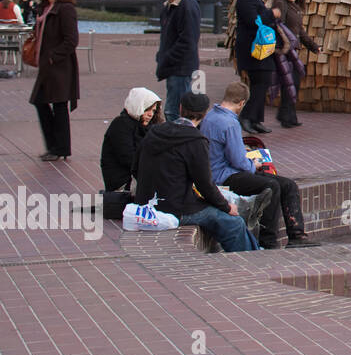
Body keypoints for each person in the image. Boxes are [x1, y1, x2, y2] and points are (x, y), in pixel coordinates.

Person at [133, 92, 256, 253]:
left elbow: (134, 168)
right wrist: (226, 207)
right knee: (234, 223)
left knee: (224, 211)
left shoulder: (154, 132)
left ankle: (255, 251)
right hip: (175, 208)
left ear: (180, 108)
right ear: (205, 114)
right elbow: (205, 184)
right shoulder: (196, 141)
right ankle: (249, 260)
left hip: (146, 202)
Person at [202, 80, 318, 248]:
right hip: (226, 175)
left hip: (222, 171)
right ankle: (270, 240)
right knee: (271, 186)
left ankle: (296, 237)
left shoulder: (211, 115)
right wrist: (253, 164)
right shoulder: (230, 123)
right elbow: (238, 161)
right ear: (242, 103)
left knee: (288, 185)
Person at [29, 0, 79, 162]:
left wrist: (53, 56)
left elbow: (71, 40)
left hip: (59, 67)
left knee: (59, 105)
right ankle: (54, 146)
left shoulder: (65, 9)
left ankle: (61, 148)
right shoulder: (44, 8)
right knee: (40, 101)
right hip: (47, 67)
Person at [232, 0, 280, 134]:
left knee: (262, 83)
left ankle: (256, 119)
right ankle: (246, 117)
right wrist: (271, 14)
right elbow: (255, 21)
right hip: (253, 50)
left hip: (260, 50)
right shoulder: (246, 1)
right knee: (260, 82)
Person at [270, 0, 320, 129]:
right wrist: (284, 45)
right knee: (290, 83)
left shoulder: (295, 8)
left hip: (292, 50)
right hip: (284, 51)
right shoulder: (281, 4)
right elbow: (278, 25)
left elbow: (300, 32)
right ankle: (286, 116)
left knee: (293, 83)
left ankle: (288, 115)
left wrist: (314, 47)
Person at [156, 0, 200, 123]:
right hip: (174, 68)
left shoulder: (187, 5)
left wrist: (166, 58)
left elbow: (188, 41)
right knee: (173, 111)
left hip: (181, 69)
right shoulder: (170, 5)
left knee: (174, 113)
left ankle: (176, 144)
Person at [100, 87, 162, 192]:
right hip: (123, 182)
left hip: (139, 177)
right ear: (138, 106)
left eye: (153, 110)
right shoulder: (121, 124)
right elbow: (129, 158)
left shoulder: (149, 127)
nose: (150, 114)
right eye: (147, 109)